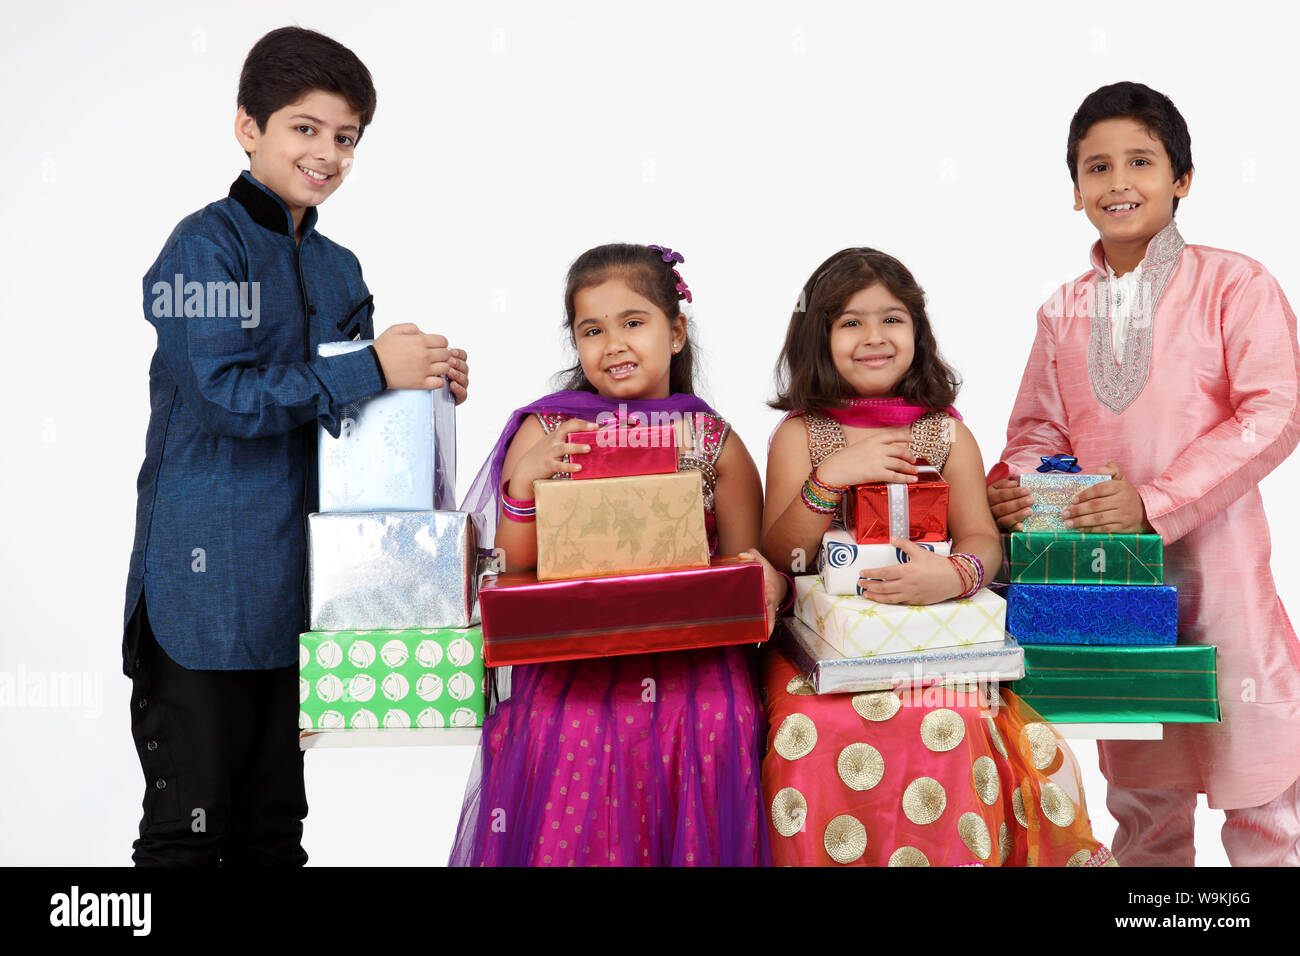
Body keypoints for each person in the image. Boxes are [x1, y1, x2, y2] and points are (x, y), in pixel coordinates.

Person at [123, 26, 468, 865]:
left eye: (346, 137)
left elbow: (348, 427)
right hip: (200, 592)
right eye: (304, 128)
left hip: (303, 597)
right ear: (249, 127)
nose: (328, 153)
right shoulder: (201, 247)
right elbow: (223, 397)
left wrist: (420, 388)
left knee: (275, 831)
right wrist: (372, 369)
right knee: (189, 835)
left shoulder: (341, 268)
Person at [989, 81, 1300, 867]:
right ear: (1075, 192)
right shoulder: (1063, 309)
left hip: (1221, 571)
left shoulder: (1237, 284)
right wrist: (1018, 487)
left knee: (1261, 793)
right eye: (1097, 167)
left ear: (1182, 180)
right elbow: (1036, 431)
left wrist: (1155, 503)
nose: (1118, 183)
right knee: (1142, 804)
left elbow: (1275, 413)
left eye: (1140, 162)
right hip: (1111, 581)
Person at [760, 247, 1112, 866]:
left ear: (917, 332)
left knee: (948, 724)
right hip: (824, 653)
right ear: (819, 337)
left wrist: (953, 575)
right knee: (810, 733)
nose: (874, 337)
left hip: (931, 645)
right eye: (850, 322)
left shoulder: (945, 432)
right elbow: (780, 556)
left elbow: (982, 540)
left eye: (892, 319)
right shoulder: (802, 433)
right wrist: (831, 477)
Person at [449, 243, 785, 866]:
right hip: (574, 655)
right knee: (570, 725)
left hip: (693, 657)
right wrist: (524, 483)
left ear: (676, 331)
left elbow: (747, 571)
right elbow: (514, 569)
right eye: (592, 330)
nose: (614, 344)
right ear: (575, 343)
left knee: (719, 716)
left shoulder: (713, 442)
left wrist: (770, 580)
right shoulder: (551, 430)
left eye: (634, 322)